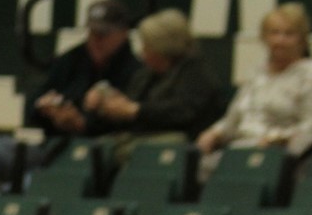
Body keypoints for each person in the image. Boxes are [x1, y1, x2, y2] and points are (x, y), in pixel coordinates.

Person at [0, 0, 141, 215]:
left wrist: (82, 123)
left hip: (90, 160)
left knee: (32, 183)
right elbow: (34, 103)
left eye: (103, 35)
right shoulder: (72, 59)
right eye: (92, 32)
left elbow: (129, 123)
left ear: (123, 33)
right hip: (52, 148)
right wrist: (48, 111)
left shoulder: (136, 71)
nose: (95, 40)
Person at [195, 4, 312, 179]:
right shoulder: (257, 73)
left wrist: (277, 140)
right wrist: (213, 133)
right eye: (274, 33)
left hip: (279, 155)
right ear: (264, 37)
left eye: (289, 34)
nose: (280, 40)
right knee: (195, 165)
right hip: (240, 149)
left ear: (302, 39)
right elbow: (233, 119)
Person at [85, 9, 224, 162]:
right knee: (98, 148)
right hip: (140, 136)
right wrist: (108, 106)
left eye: (147, 46)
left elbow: (182, 112)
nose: (142, 52)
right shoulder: (145, 75)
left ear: (162, 48)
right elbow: (130, 103)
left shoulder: (197, 73)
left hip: (177, 142)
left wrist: (136, 111)